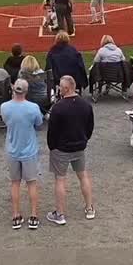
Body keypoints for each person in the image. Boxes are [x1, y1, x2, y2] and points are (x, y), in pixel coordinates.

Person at [46, 75, 94, 225]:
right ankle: (89, 208)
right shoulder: (86, 105)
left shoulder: (58, 108)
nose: (59, 89)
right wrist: (83, 140)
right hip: (79, 146)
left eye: (60, 86)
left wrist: (52, 147)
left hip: (61, 149)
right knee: (83, 176)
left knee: (60, 179)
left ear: (66, 88)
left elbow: (51, 132)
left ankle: (60, 214)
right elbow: (89, 127)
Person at [2, 80, 45, 230]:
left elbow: (6, 121)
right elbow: (39, 124)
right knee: (31, 183)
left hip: (12, 150)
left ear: (14, 89)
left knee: (15, 183)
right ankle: (33, 215)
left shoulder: (4, 107)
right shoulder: (33, 108)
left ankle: (16, 215)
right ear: (26, 91)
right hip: (29, 151)